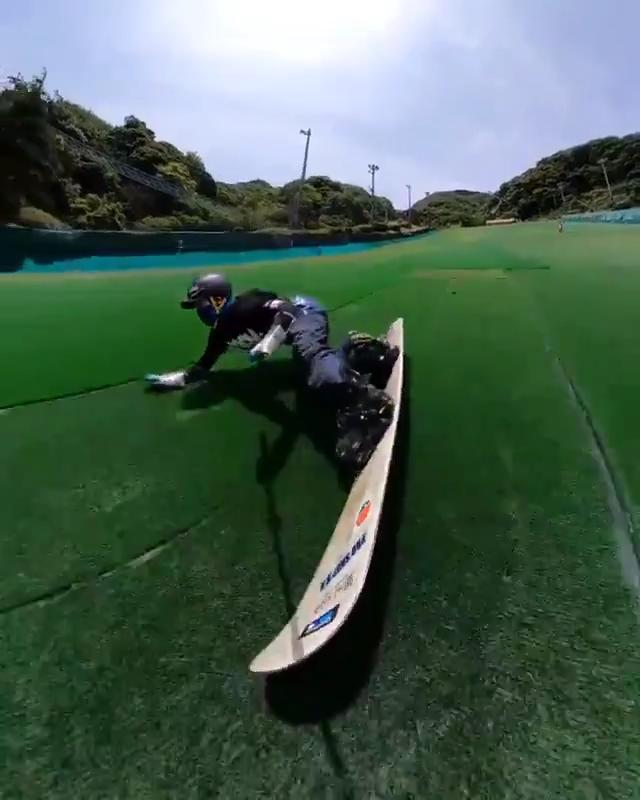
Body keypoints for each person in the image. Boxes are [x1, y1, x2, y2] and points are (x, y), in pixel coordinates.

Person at [145, 273, 398, 470]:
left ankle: (365, 404)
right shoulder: (219, 334)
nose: (198, 311)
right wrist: (176, 379)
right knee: (311, 381)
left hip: (305, 312)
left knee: (312, 357)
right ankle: (360, 351)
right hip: (294, 327)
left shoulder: (245, 305)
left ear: (217, 300)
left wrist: (268, 343)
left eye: (200, 304)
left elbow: (288, 310)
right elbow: (204, 365)